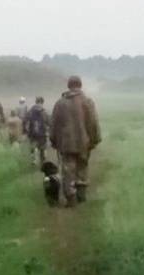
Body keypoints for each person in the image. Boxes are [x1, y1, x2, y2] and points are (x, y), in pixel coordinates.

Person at [51, 76, 101, 207]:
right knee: (82, 167)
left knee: (68, 169)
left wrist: (54, 141)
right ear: (80, 85)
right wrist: (94, 140)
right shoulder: (87, 101)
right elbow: (93, 123)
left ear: (68, 86)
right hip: (84, 142)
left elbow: (54, 124)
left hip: (66, 144)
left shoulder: (60, 103)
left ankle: (71, 197)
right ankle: (81, 194)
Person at [24, 96, 50, 166]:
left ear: (36, 101)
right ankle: (43, 161)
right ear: (42, 102)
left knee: (33, 147)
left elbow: (26, 120)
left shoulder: (31, 110)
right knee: (42, 148)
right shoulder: (44, 111)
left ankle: (34, 160)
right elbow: (48, 121)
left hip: (32, 132)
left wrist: (26, 130)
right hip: (42, 133)